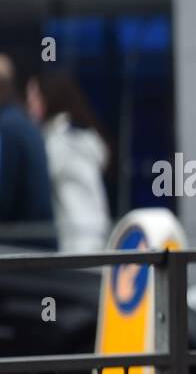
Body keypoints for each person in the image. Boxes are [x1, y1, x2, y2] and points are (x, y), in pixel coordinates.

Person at [27, 70, 113, 253]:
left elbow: (37, 175)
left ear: (48, 98)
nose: (30, 104)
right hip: (97, 234)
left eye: (34, 96)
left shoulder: (60, 141)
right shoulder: (81, 136)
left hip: (77, 242)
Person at [0, 54, 56, 250]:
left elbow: (3, 197)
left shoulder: (7, 128)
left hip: (20, 251)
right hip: (38, 246)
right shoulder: (24, 123)